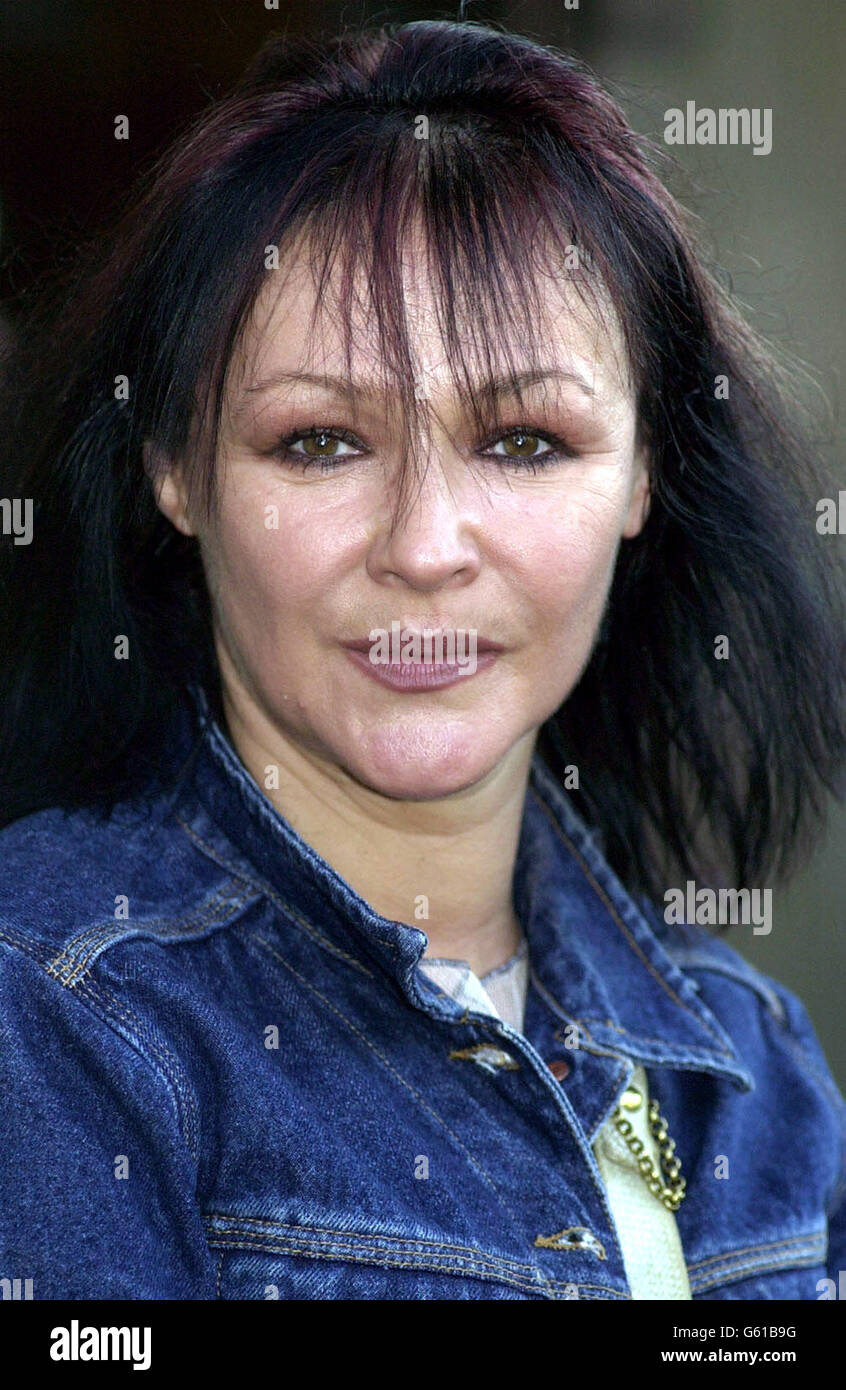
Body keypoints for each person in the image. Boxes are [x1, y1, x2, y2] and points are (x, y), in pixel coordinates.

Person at [0, 19, 844, 1301]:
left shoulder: (756, 1068)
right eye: (320, 441)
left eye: (522, 441)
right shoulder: (48, 1004)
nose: (426, 545)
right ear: (173, 468)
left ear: (643, 475)